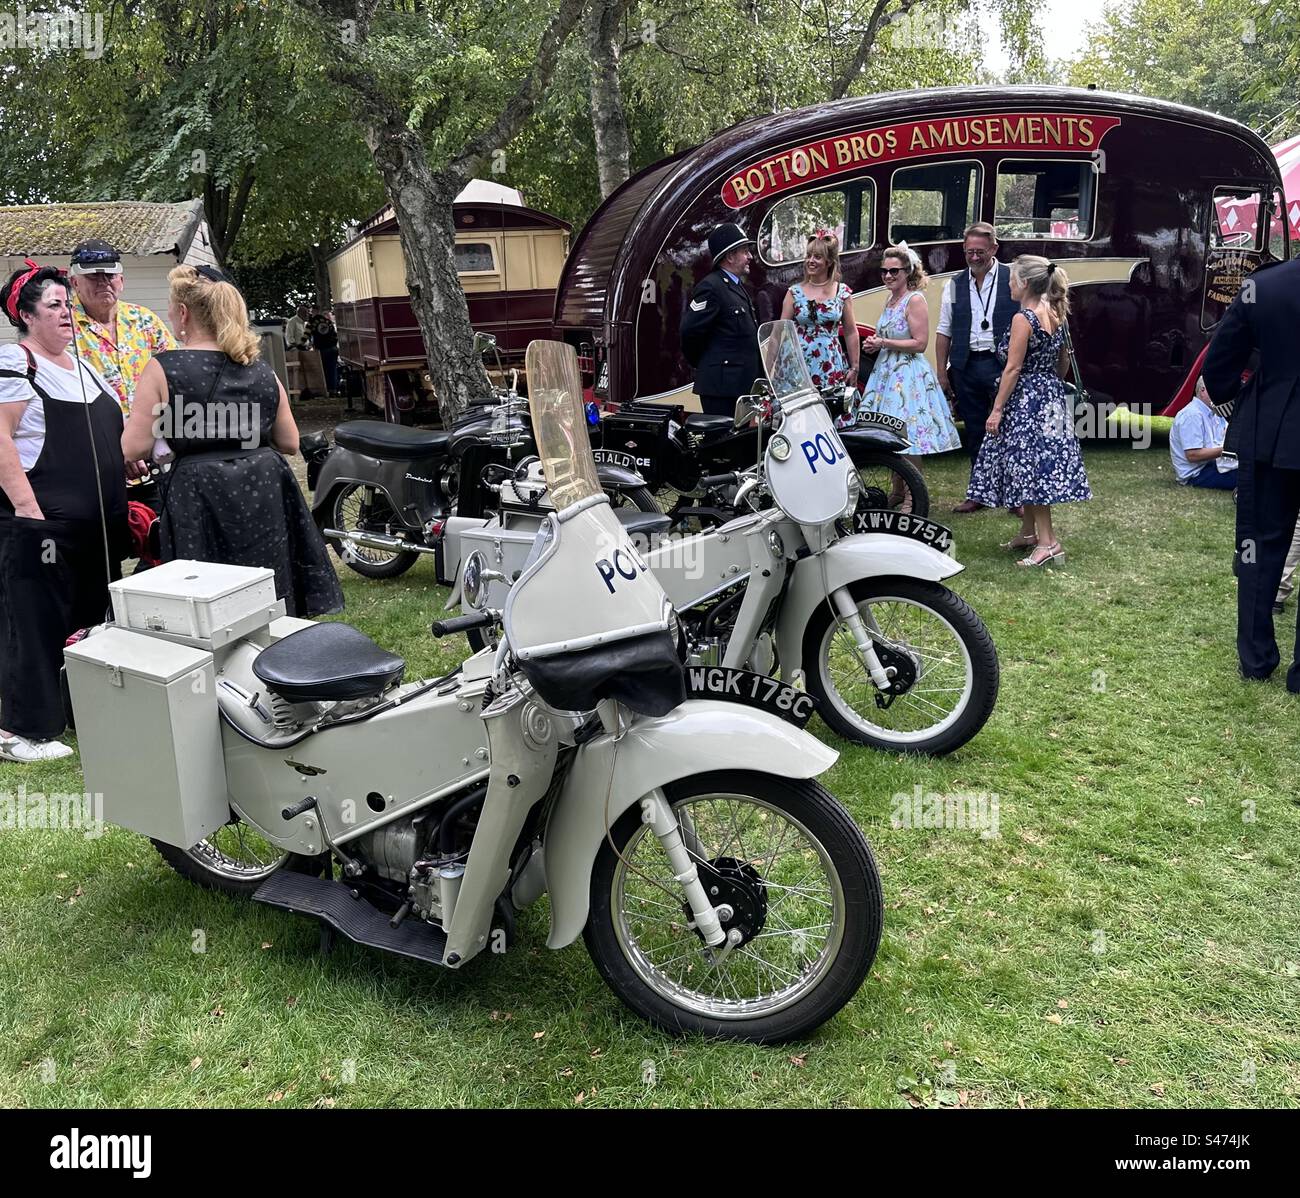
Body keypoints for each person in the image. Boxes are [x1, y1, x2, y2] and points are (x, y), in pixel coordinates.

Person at [122, 266, 343, 618]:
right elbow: (288, 441)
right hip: (264, 484)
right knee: (268, 577)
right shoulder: (260, 369)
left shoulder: (164, 368)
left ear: (183, 313)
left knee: (206, 590)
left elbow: (132, 447)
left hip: (197, 492)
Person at [0, 261, 129, 762]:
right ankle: (20, 729)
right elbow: (2, 441)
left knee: (89, 618)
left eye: (66, 305)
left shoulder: (83, 364)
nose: (66, 315)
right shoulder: (16, 363)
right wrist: (28, 510)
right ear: (27, 316)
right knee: (34, 622)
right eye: (53, 306)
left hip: (97, 529)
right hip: (42, 526)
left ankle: (78, 708)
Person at [1202, 254, 1300, 688]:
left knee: (1258, 548)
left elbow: (1219, 362)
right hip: (1272, 432)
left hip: (1270, 432)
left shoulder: (1263, 286)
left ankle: (1256, 660)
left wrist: (1242, 400)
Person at [966, 255, 1091, 565]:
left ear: (1023, 283)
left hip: (1025, 401)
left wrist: (996, 410)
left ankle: (1049, 543)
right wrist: (1047, 386)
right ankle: (1028, 531)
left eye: (1011, 279)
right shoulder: (1054, 312)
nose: (1008, 283)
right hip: (1050, 396)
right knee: (1033, 466)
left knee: (1031, 471)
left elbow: (1013, 368)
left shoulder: (1024, 318)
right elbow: (1062, 365)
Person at [855, 244, 961, 499]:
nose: (888, 276)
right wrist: (874, 344)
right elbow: (889, 335)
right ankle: (898, 491)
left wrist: (883, 343)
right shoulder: (891, 300)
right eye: (884, 272)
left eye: (894, 271)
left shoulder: (915, 300)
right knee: (890, 434)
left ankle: (914, 496)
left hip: (907, 376)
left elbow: (919, 343)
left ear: (908, 272)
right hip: (886, 373)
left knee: (909, 437)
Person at [935, 222, 1015, 514]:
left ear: (994, 249)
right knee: (975, 430)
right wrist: (943, 373)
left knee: (1007, 429)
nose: (974, 257)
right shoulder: (954, 285)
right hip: (966, 366)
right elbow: (944, 329)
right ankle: (978, 492)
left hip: (1001, 364)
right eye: (969, 251)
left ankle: (1015, 497)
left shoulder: (1011, 277)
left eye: (980, 251)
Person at [69, 239, 177, 416]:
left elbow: (174, 369)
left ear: (121, 280)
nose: (103, 282)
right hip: (91, 434)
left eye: (110, 275)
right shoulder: (61, 324)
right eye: (93, 276)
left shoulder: (144, 319)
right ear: (74, 283)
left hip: (147, 431)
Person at [680, 223, 764, 416]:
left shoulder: (736, 286)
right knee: (725, 445)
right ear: (730, 256)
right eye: (745, 252)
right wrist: (709, 364)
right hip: (721, 389)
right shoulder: (711, 287)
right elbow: (689, 332)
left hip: (739, 386)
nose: (750, 256)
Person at [780, 229, 859, 391]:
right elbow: (780, 333)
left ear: (829, 262)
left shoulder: (842, 292)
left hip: (830, 363)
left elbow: (851, 332)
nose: (811, 261)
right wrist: (772, 368)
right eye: (808, 256)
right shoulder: (793, 292)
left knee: (831, 410)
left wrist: (855, 367)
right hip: (797, 363)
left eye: (817, 256)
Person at [1168, 376, 1237, 490]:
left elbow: (1225, 434)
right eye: (1217, 389)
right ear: (1203, 390)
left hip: (1210, 465)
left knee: (1250, 469)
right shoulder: (1192, 415)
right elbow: (1193, 455)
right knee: (1249, 477)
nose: (1221, 393)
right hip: (1197, 474)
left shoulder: (1213, 411)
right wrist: (1228, 449)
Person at [313, 309, 340, 395]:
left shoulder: (315, 324)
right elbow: (336, 337)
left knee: (323, 371)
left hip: (322, 350)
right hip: (332, 348)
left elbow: (311, 336)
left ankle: (326, 389)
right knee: (332, 370)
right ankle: (333, 389)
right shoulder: (330, 324)